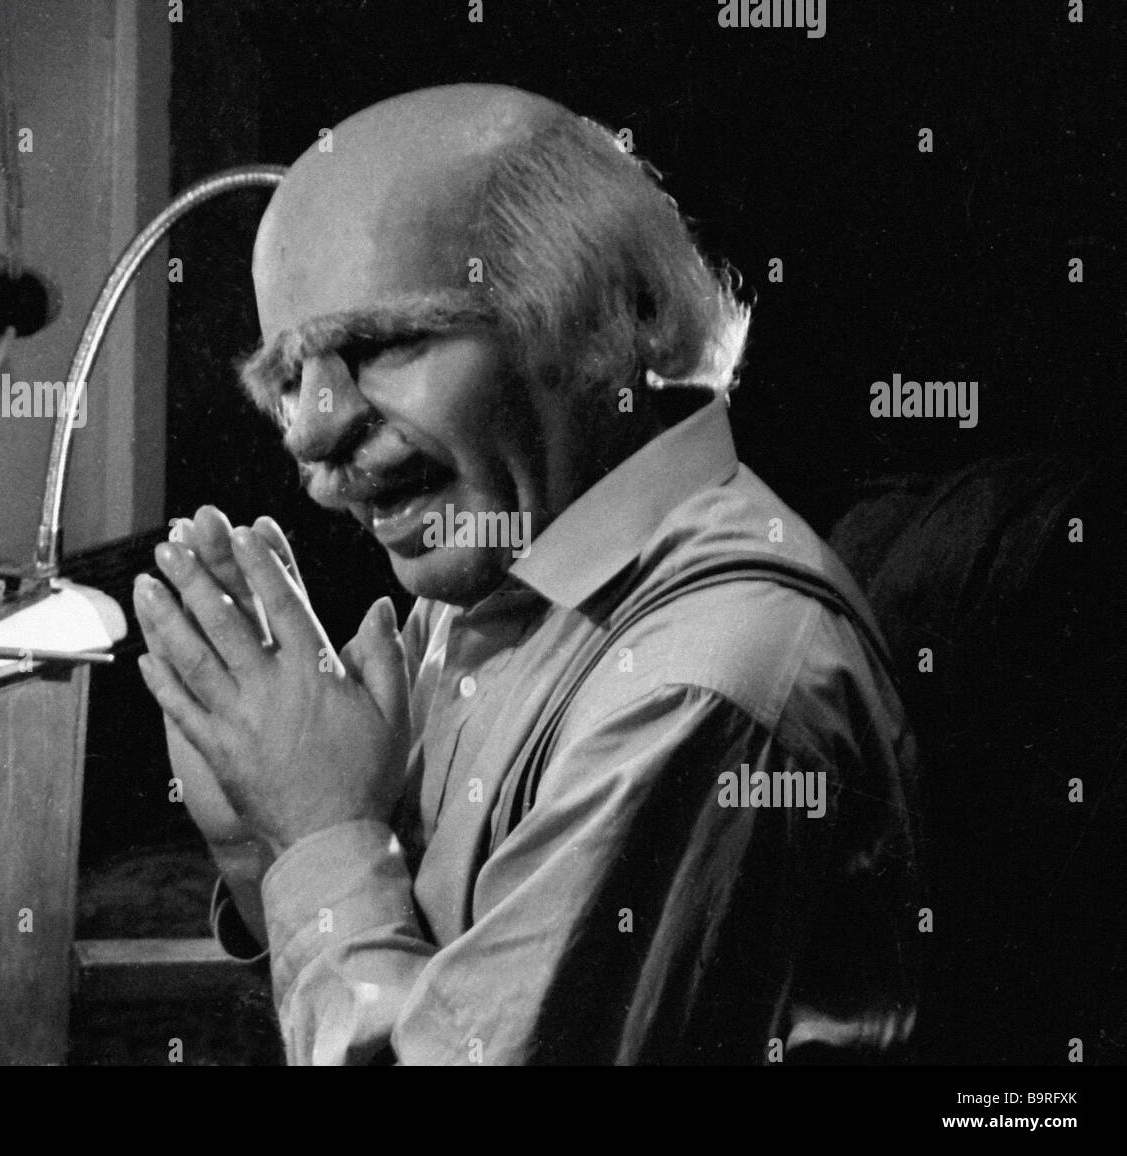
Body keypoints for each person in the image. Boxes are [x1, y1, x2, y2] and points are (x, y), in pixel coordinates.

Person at [133, 83, 919, 1065]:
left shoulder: (704, 680)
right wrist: (261, 838)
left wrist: (315, 832)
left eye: (381, 343)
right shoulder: (495, 581)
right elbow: (411, 973)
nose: (313, 439)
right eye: (288, 377)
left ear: (606, 321)